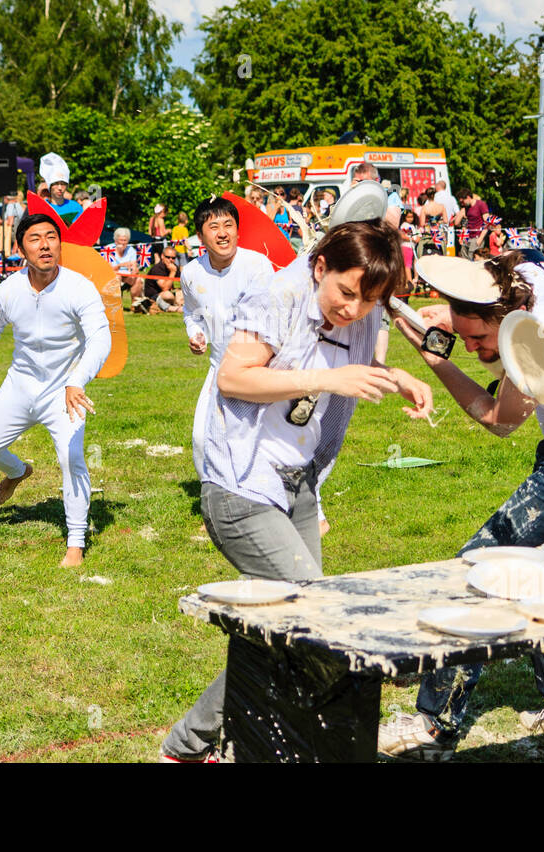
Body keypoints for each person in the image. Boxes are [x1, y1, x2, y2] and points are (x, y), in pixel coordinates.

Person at [160, 218, 434, 762]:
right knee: (315, 620)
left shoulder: (361, 310)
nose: (352, 309)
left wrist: (397, 376)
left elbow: (347, 361)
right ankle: (194, 744)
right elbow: (234, 378)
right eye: (345, 293)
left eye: (367, 300)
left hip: (298, 483)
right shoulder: (276, 296)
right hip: (242, 483)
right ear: (319, 267)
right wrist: (326, 382)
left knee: (283, 631)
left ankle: (194, 747)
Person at [378, 251, 544, 760]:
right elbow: (498, 266)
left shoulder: (543, 346)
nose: (472, 348)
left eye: (479, 340)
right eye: (466, 338)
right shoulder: (517, 279)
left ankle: (434, 727)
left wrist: (435, 357)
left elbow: (498, 418)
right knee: (533, 578)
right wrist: (450, 317)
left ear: (506, 322)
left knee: (479, 569)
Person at [0, 212, 111, 568]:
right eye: (35, 238)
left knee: (71, 459)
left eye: (51, 237)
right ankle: (17, 471)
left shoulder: (78, 286)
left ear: (60, 243)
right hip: (21, 386)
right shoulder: (9, 289)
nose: (45, 245)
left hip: (66, 391)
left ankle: (75, 541)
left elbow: (100, 337)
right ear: (20, 247)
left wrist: (78, 379)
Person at [181, 196, 275, 476]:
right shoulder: (191, 273)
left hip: (261, 367)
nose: (223, 233)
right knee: (203, 439)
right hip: (219, 367)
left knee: (259, 443)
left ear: (237, 229)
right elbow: (191, 312)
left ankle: (268, 503)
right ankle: (215, 507)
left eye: (229, 225)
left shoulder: (258, 266)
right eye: (214, 226)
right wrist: (196, 333)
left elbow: (270, 321)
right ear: (200, 235)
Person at [134, 245, 183, 314]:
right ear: (162, 256)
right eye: (168, 257)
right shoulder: (157, 269)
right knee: (168, 295)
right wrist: (173, 272)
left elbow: (183, 282)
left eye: (173, 258)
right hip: (152, 297)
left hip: (167, 294)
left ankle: (175, 305)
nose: (170, 260)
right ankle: (173, 307)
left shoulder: (174, 267)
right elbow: (165, 288)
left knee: (183, 293)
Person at [40, 153, 83, 222]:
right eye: (56, 184)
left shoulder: (76, 207)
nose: (60, 188)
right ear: (50, 186)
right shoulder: (42, 207)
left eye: (63, 184)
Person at [108, 227, 140, 300]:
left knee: (138, 279)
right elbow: (107, 269)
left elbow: (134, 266)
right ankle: (116, 303)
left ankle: (135, 305)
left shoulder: (131, 250)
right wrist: (120, 265)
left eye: (125, 240)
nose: (123, 243)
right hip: (112, 275)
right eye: (121, 240)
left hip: (127, 276)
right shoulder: (108, 249)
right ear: (116, 241)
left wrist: (134, 270)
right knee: (117, 277)